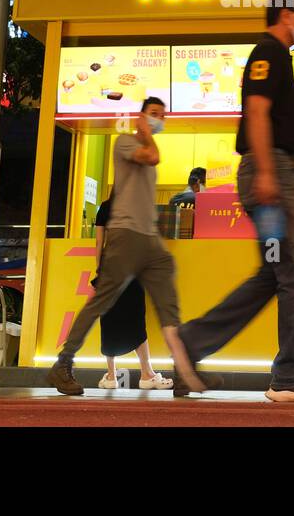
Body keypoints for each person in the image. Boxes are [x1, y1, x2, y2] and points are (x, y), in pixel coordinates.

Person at [175, 0, 294, 403]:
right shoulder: (269, 52)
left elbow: (266, 115)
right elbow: (256, 112)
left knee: (276, 272)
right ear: (285, 14)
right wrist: (269, 172)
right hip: (272, 178)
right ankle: (290, 376)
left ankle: (189, 346)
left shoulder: (277, 57)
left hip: (273, 173)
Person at [47, 98, 206, 395]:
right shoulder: (125, 143)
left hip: (149, 240)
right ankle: (63, 364)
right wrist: (144, 130)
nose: (160, 120)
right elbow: (152, 156)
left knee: (168, 304)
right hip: (124, 236)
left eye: (163, 116)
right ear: (142, 116)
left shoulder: (146, 150)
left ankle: (183, 371)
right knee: (101, 301)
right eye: (154, 114)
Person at [91, 189, 172, 390]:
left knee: (109, 318)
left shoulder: (106, 206)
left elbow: (99, 242)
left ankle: (111, 376)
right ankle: (147, 374)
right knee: (135, 318)